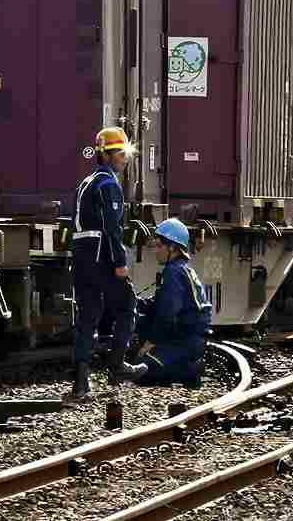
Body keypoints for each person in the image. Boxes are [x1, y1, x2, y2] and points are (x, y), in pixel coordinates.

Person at [63, 127, 148, 405]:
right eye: (122, 154)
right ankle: (117, 365)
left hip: (81, 257)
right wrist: (120, 263)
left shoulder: (85, 183)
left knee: (88, 315)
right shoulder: (108, 185)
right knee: (127, 305)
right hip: (101, 257)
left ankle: (81, 383)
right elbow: (112, 229)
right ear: (109, 156)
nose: (125, 159)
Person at [135, 219, 213, 387]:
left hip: (185, 341)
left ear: (172, 248)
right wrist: (134, 302)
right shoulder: (180, 268)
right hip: (187, 337)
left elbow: (167, 315)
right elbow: (159, 304)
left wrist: (150, 343)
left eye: (159, 246)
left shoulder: (173, 272)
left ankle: (190, 370)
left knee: (141, 372)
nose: (155, 251)